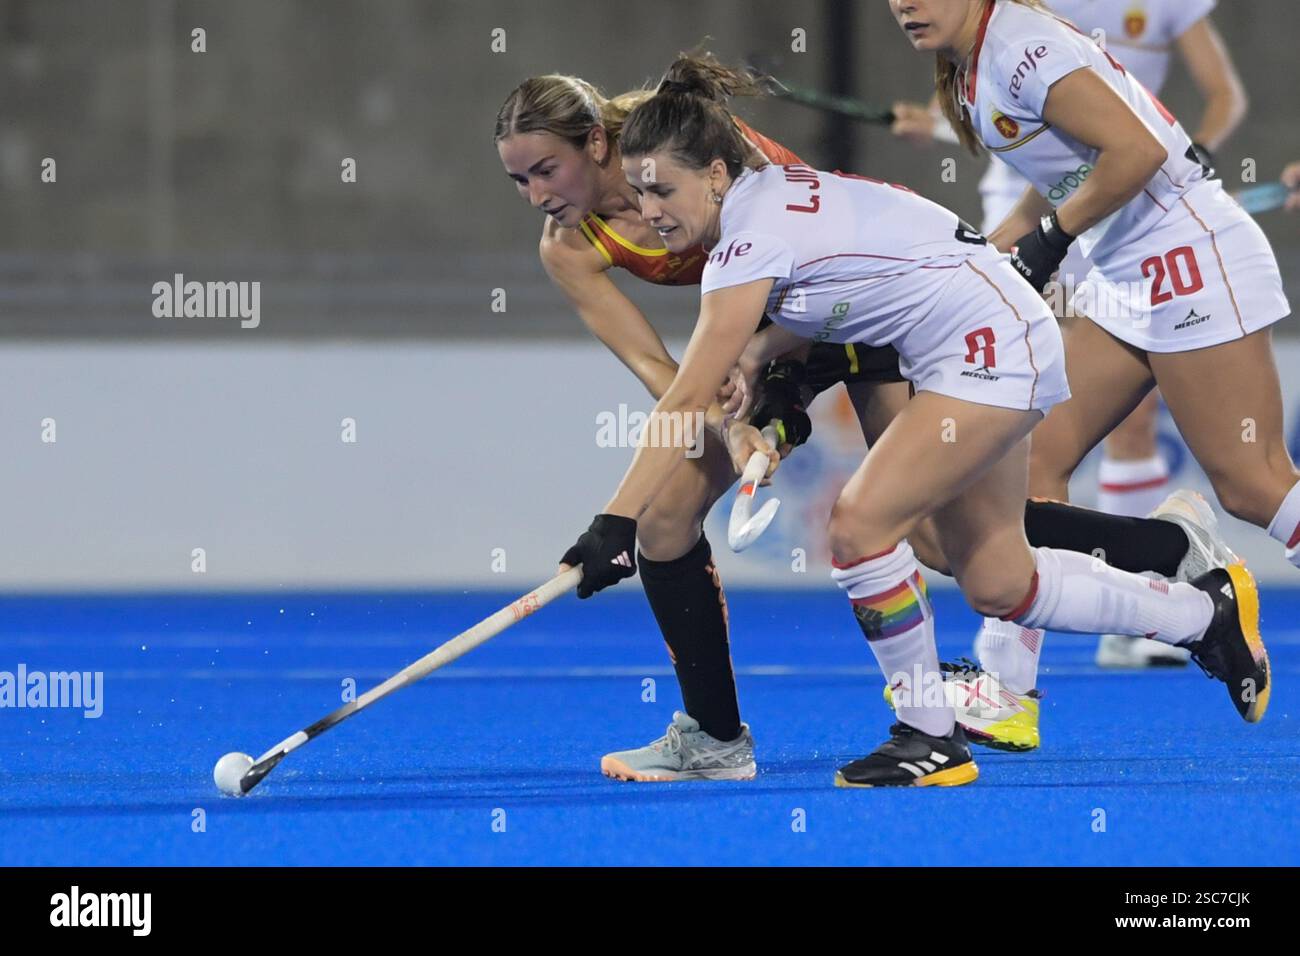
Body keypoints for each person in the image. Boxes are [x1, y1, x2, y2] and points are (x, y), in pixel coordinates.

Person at [556, 63, 1270, 788]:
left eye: (663, 190)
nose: (649, 212)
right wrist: (769, 360)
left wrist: (615, 520)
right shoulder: (765, 194)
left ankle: (928, 734)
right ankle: (1201, 615)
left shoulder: (744, 244)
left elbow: (683, 401)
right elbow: (839, 298)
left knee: (860, 528)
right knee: (998, 581)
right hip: (990, 336)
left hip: (981, 351)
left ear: (714, 174)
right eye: (639, 192)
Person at [495, 62, 913, 781]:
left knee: (941, 532)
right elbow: (663, 373)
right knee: (663, 520)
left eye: (546, 170)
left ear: (597, 142)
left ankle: (1162, 561)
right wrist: (732, 425)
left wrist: (763, 386)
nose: (536, 196)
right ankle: (715, 740)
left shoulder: (685, 142)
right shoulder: (569, 248)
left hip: (848, 301)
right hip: (752, 339)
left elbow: (794, 242)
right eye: (519, 182)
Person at [889, 0, 1295, 707]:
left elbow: (1134, 151)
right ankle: (1007, 692)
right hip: (1125, 276)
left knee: (1254, 484)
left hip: (1188, 260)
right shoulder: (969, 66)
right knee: (1029, 462)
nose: (903, 3)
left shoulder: (1017, 46)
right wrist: (992, 257)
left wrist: (1050, 241)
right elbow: (1064, 177)